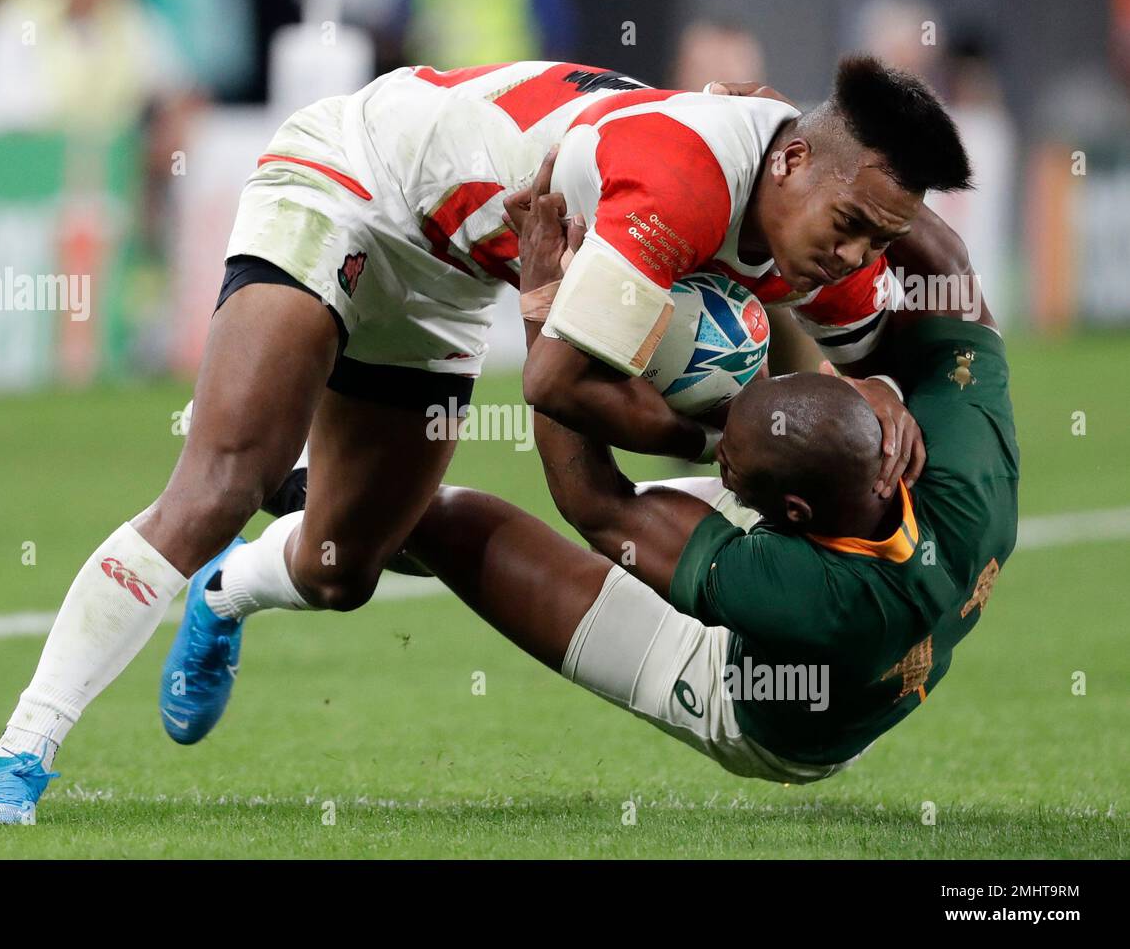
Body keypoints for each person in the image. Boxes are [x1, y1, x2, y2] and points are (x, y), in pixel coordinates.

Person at [0, 54, 966, 822]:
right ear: (789, 158)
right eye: (852, 223)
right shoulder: (681, 179)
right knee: (228, 471)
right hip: (354, 176)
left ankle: (226, 589)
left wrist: (861, 386)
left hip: (449, 272)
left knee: (344, 566)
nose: (856, 254)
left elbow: (838, 370)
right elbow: (559, 382)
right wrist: (726, 437)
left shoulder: (818, 226)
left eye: (879, 237)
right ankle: (21, 749)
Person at [394, 174, 1018, 781]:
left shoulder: (806, 594)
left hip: (762, 706)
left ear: (786, 516)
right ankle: (362, 524)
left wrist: (547, 304)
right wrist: (807, 160)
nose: (713, 452)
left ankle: (313, 503)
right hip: (868, 615)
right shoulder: (966, 461)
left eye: (727, 460)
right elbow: (949, 268)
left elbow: (597, 507)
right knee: (411, 524)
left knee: (450, 521)